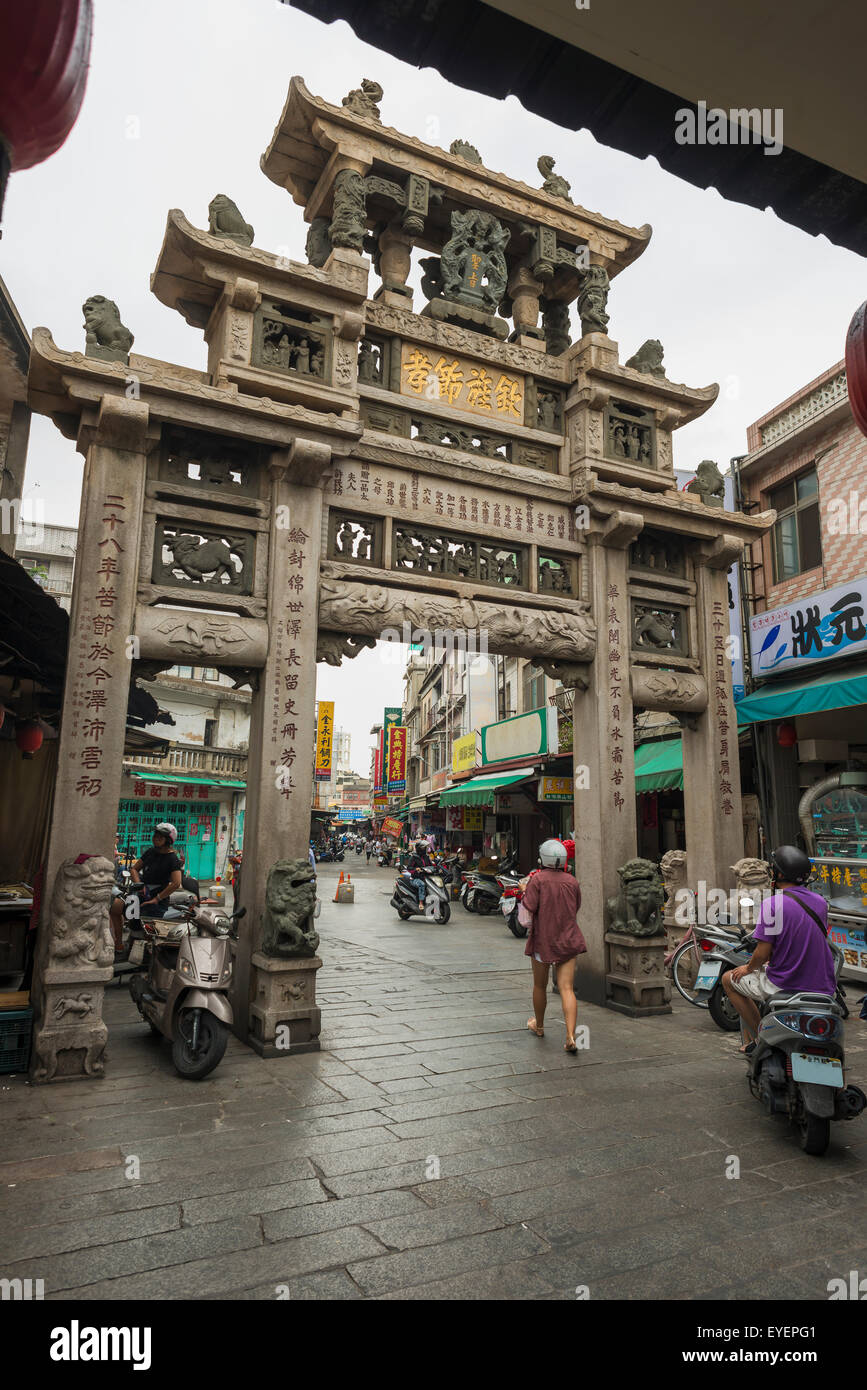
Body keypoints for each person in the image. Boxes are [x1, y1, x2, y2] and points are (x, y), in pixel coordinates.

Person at [722, 844, 837, 1055]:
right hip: (824, 983)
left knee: (729, 979)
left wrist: (749, 968)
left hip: (784, 984)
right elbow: (802, 937)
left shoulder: (772, 904)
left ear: (779, 874)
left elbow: (762, 953)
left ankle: (760, 1037)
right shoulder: (821, 902)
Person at [521, 838, 586, 1053]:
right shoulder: (572, 881)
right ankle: (570, 1036)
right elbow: (575, 906)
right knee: (567, 988)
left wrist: (524, 889)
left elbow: (528, 907)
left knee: (540, 985)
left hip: (543, 940)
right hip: (568, 939)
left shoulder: (537, 880)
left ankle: (538, 1026)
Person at [108, 823, 183, 950]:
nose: (156, 838)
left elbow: (176, 883)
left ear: (168, 840)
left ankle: (146, 952)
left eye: (160, 837)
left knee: (146, 929)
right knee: (115, 908)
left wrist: (157, 898)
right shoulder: (150, 852)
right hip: (141, 893)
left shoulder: (172, 859)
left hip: (157, 899)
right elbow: (134, 869)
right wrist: (139, 884)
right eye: (155, 836)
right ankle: (118, 944)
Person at [407, 839, 432, 905]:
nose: (425, 849)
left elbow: (430, 866)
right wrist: (416, 869)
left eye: (425, 848)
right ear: (419, 848)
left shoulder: (426, 857)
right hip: (415, 878)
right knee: (421, 884)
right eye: (424, 848)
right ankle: (421, 902)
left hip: (426, 877)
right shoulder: (414, 857)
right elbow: (409, 868)